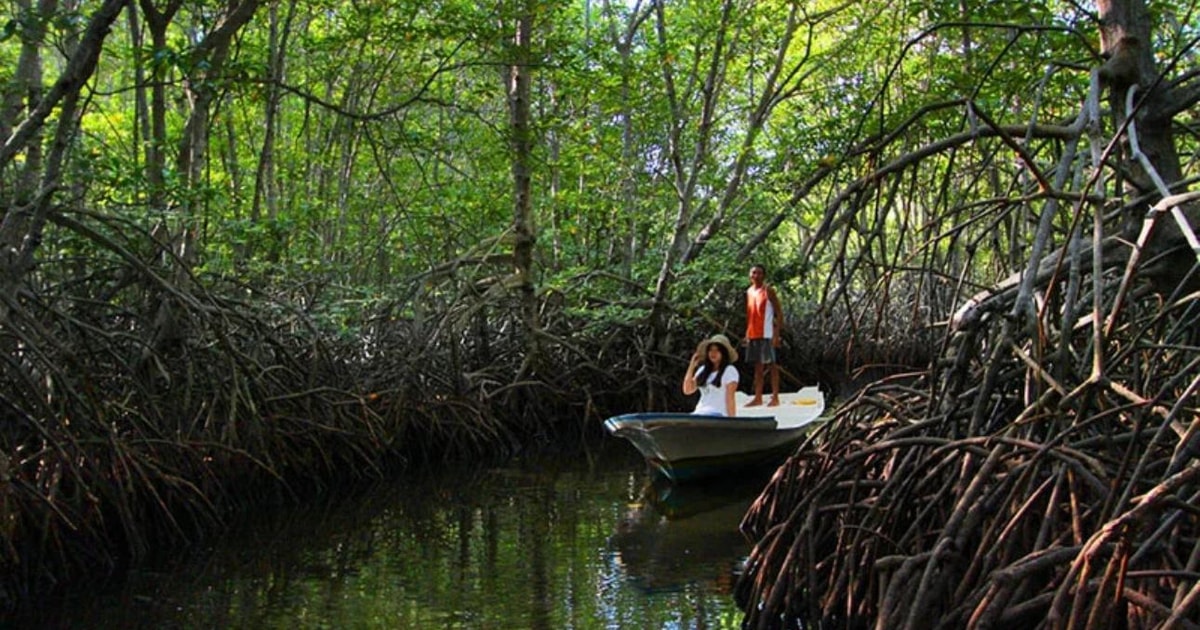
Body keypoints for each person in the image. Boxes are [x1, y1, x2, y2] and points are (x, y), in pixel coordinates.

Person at [743, 263, 783, 407]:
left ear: (764, 275)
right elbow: (749, 315)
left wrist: (776, 335)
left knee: (772, 365)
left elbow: (779, 313)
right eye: (753, 273)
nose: (756, 276)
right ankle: (758, 397)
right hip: (754, 334)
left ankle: (775, 397)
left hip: (767, 333)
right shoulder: (749, 292)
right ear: (750, 275)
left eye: (759, 273)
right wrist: (747, 334)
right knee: (758, 367)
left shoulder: (768, 291)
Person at [682, 334, 740, 417]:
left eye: (717, 350)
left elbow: (730, 398)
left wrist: (732, 421)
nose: (713, 353)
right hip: (699, 412)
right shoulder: (703, 370)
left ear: (723, 353)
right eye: (711, 350)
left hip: (718, 414)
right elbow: (687, 390)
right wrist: (691, 366)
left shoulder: (729, 370)